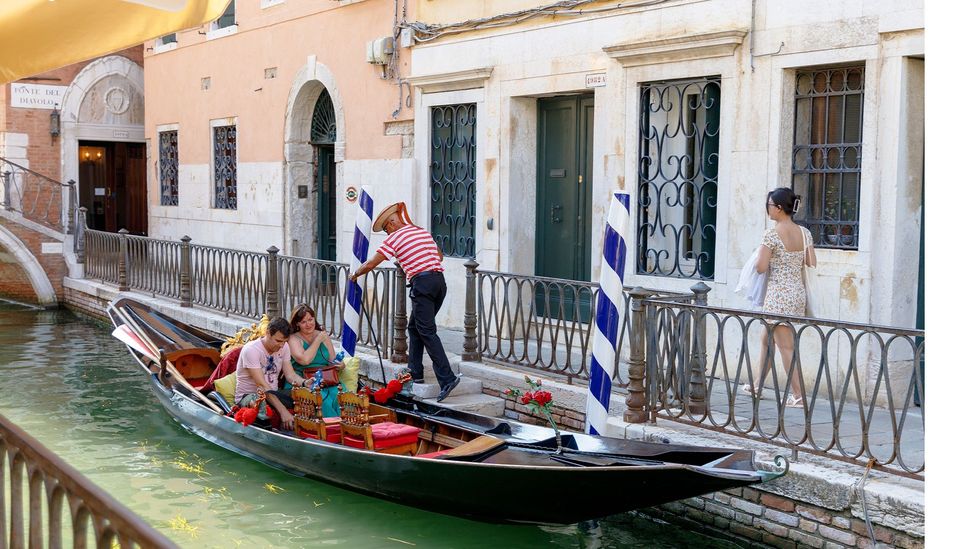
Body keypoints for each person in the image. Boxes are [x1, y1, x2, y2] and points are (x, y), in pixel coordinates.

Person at [349, 202, 462, 402]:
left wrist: (356, 274)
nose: (387, 233)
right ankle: (415, 371)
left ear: (392, 223)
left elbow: (373, 262)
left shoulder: (394, 238)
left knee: (427, 331)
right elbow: (440, 257)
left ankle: (447, 378)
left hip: (423, 285)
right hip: (439, 284)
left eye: (386, 229)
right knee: (415, 327)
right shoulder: (421, 232)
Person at [741, 187, 817, 408]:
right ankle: (757, 385)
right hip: (796, 294)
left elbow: (761, 267)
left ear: (779, 207)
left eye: (769, 205)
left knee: (786, 346)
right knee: (767, 340)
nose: (768, 209)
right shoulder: (805, 233)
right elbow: (811, 262)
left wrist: (761, 257)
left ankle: (799, 396)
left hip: (778, 297)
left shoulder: (771, 234)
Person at [234, 317, 310, 430]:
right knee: (259, 402)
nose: (281, 346)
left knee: (306, 396)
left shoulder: (284, 347)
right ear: (268, 333)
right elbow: (262, 386)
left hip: (273, 393)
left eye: (284, 341)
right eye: (278, 341)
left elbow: (291, 375)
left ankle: (305, 430)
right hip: (249, 396)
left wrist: (305, 383)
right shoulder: (251, 350)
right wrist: (283, 411)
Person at [287, 303, 342, 418]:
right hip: (304, 380)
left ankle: (348, 427)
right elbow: (305, 360)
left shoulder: (322, 335)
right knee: (322, 399)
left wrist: (341, 365)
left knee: (341, 395)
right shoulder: (293, 338)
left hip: (326, 379)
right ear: (297, 324)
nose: (309, 324)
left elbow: (332, 360)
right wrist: (317, 341)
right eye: (303, 322)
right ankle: (332, 429)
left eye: (310, 319)